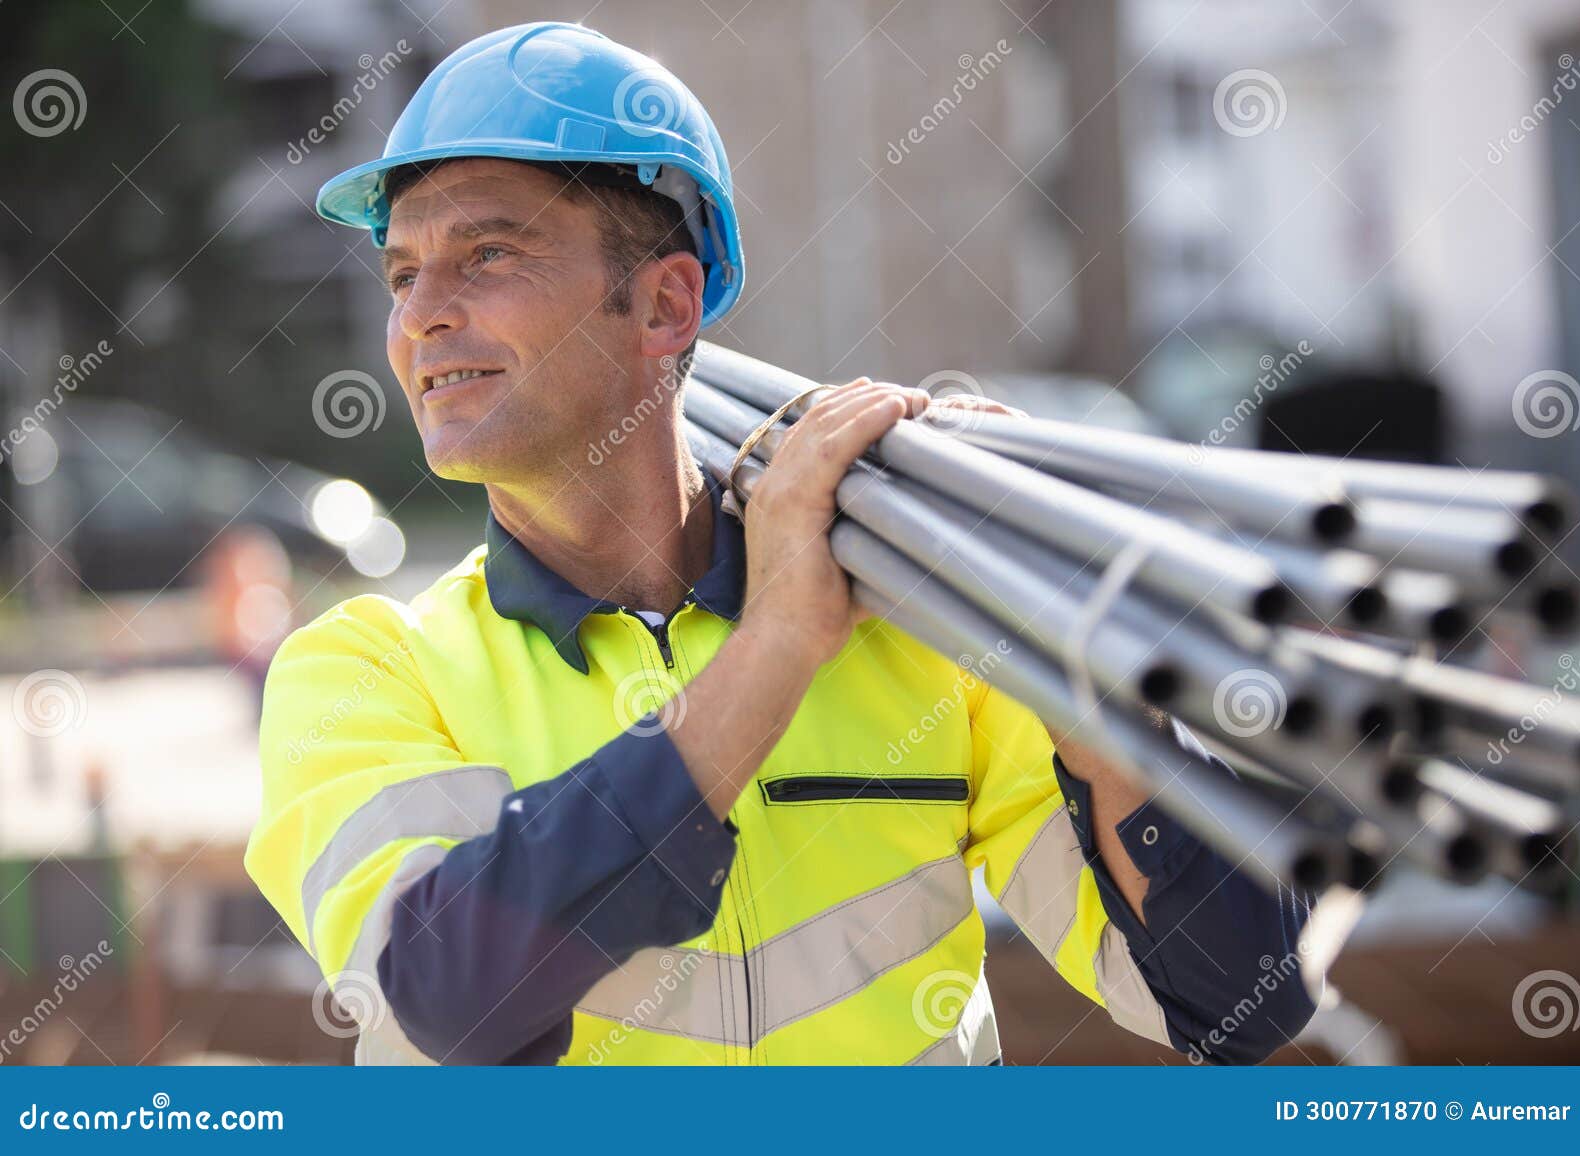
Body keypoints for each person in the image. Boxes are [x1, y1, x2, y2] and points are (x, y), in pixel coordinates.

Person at [244, 21, 1316, 1065]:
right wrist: (775, 649)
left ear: (665, 303)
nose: (420, 315)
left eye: (485, 253)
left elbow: (1235, 1007)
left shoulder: (923, 632)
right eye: (401, 271)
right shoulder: (363, 674)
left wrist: (1073, 659)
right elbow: (451, 999)